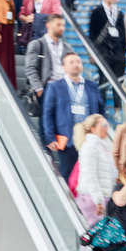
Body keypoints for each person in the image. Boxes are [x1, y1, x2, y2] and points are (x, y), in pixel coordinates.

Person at [42, 52, 105, 181]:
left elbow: (101, 111)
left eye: (78, 62)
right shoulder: (55, 87)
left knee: (90, 175)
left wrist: (102, 131)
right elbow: (48, 113)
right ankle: (68, 201)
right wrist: (50, 137)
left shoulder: (92, 86)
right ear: (63, 67)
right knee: (68, 175)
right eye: (71, 62)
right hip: (67, 140)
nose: (76, 65)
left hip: (90, 140)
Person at [73, 114, 114, 251]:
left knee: (99, 238)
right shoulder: (90, 147)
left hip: (101, 198)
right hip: (92, 199)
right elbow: (90, 175)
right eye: (103, 125)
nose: (106, 128)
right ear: (93, 128)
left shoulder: (101, 146)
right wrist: (98, 200)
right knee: (92, 238)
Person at [88, 0, 126, 110]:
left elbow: (123, 33)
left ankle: (117, 108)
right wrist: (92, 52)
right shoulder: (97, 12)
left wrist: (122, 50)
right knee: (103, 81)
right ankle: (102, 108)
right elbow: (92, 33)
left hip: (118, 52)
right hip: (102, 50)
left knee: (118, 81)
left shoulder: (119, 14)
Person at [24, 13, 72, 107]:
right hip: (47, 88)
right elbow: (30, 68)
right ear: (48, 25)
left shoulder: (67, 47)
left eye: (63, 25)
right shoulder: (37, 44)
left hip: (64, 88)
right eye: (58, 25)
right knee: (46, 120)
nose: (62, 28)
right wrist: (38, 88)